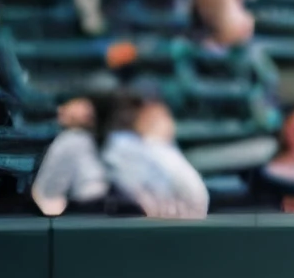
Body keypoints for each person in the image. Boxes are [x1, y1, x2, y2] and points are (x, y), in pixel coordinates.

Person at [100, 90, 209, 218]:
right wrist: (155, 142)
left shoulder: (163, 148)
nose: (169, 123)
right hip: (146, 225)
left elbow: (197, 201)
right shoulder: (123, 145)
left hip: (178, 221)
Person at [31, 93, 110, 215]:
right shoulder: (69, 140)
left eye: (88, 106)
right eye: (79, 104)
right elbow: (48, 191)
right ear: (62, 111)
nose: (87, 109)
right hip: (85, 212)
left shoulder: (86, 139)